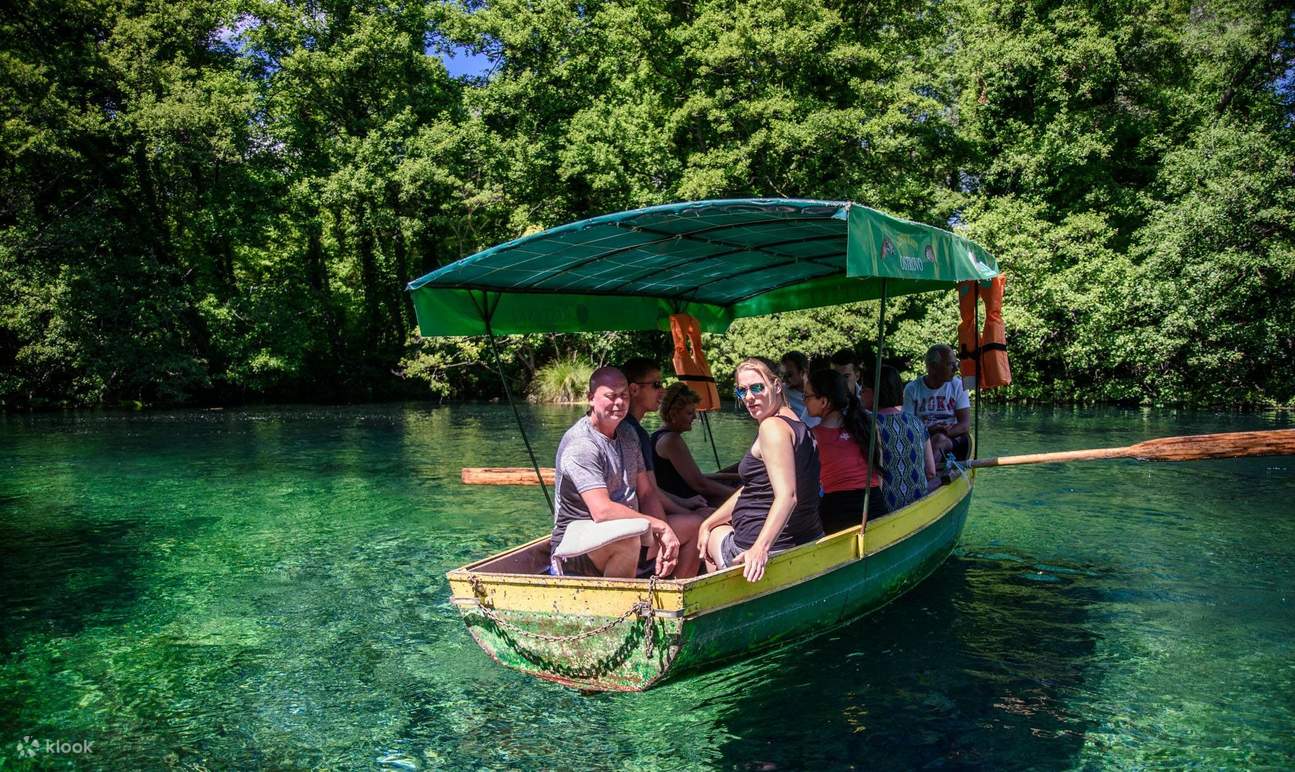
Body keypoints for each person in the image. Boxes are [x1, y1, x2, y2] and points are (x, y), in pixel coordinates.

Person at [551, 367, 695, 578]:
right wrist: (659, 527)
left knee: (694, 526)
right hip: (577, 547)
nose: (619, 403)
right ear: (591, 399)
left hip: (633, 530)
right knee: (627, 539)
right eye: (610, 396)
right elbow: (603, 511)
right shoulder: (582, 444)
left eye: (624, 396)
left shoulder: (628, 434)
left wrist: (664, 531)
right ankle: (623, 607)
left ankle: (672, 602)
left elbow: (646, 493)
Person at [698, 358, 823, 582]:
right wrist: (709, 521)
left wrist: (759, 549)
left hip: (761, 547)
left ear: (776, 386)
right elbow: (753, 487)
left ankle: (720, 605)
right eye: (741, 391)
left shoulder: (771, 427)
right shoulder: (799, 424)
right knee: (710, 527)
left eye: (757, 387)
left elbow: (788, 496)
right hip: (806, 536)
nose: (748, 397)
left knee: (712, 539)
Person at [804, 369, 887, 532]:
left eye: (807, 396)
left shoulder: (811, 436)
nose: (804, 401)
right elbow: (879, 475)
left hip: (837, 511)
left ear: (824, 401)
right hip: (874, 504)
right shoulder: (868, 425)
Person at [652, 383, 737, 507]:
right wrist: (739, 495)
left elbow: (694, 477)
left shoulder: (657, 436)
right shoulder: (671, 440)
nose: (695, 417)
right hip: (689, 504)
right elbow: (700, 484)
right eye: (690, 413)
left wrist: (733, 475)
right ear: (674, 414)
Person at [877, 365, 938, 511]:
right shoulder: (917, 422)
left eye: (864, 390)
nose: (861, 394)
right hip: (918, 506)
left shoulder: (867, 424)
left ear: (874, 392)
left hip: (885, 509)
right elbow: (931, 472)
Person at [903, 344, 971, 460]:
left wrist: (942, 433)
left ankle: (928, 475)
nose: (956, 369)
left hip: (952, 438)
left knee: (939, 440)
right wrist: (929, 432)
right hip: (922, 437)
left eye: (955, 364)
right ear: (933, 367)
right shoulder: (912, 389)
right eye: (950, 364)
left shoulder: (958, 385)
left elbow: (964, 425)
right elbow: (908, 426)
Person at [779, 350, 819, 427]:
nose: (785, 379)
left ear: (803, 372)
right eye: (783, 375)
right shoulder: (782, 391)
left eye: (789, 374)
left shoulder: (820, 392)